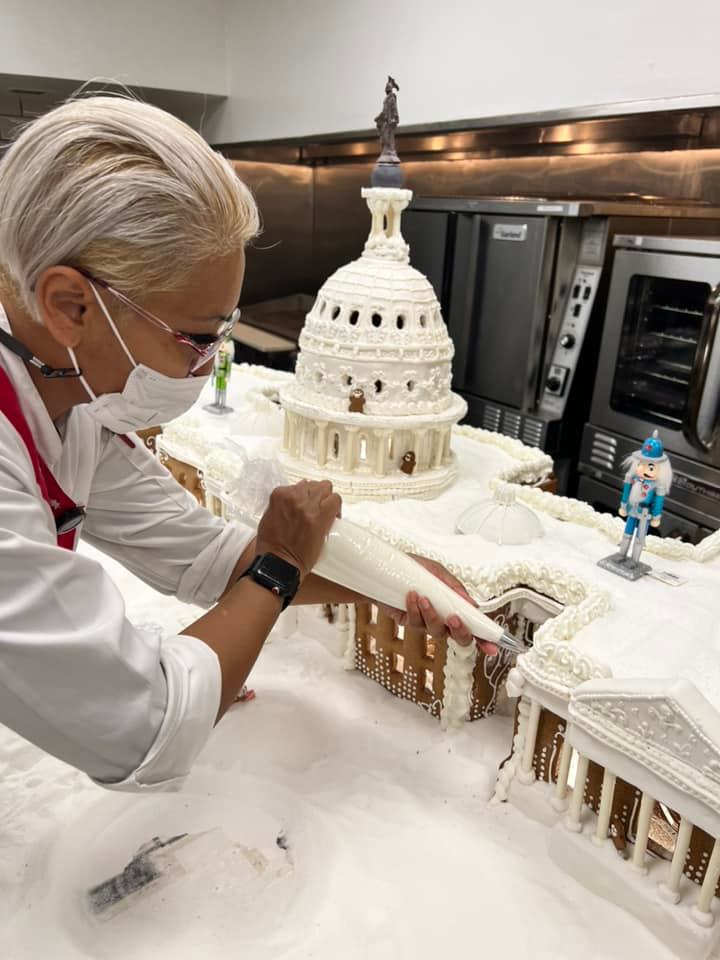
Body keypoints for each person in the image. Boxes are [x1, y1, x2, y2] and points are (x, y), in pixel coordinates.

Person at [0, 96, 494, 794]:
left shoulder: (71, 400)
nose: (209, 364)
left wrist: (386, 580)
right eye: (198, 338)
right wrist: (282, 563)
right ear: (71, 305)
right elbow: (142, 731)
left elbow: (202, 556)